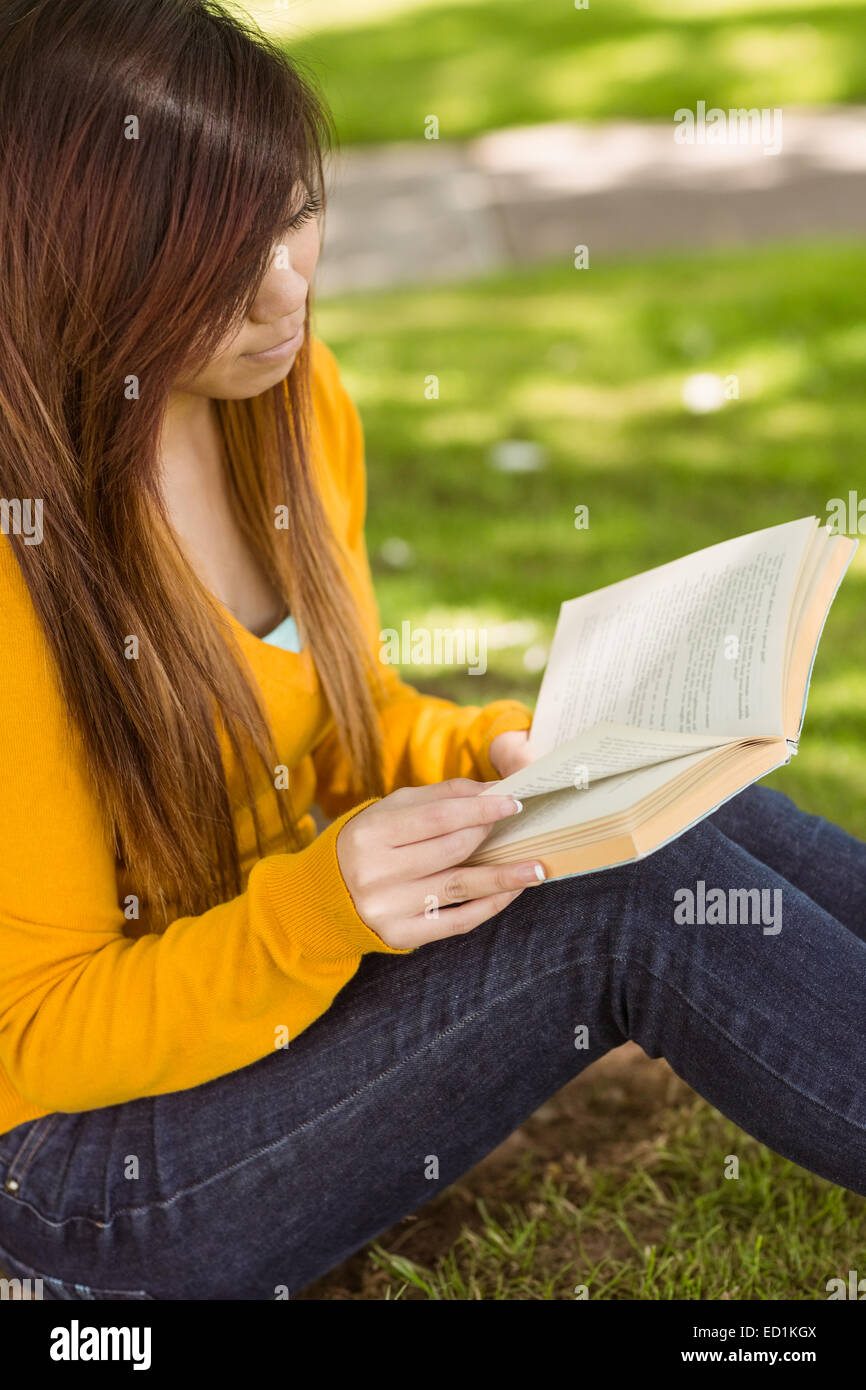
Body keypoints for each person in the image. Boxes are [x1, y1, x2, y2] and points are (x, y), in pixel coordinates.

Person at [0, 0, 862, 1301]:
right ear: (81, 263)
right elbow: (30, 1039)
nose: (289, 288)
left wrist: (484, 751)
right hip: (80, 1182)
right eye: (226, 259)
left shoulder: (286, 397)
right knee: (618, 906)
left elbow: (331, 724)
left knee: (696, 789)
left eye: (294, 218)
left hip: (256, 1008)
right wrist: (325, 908)